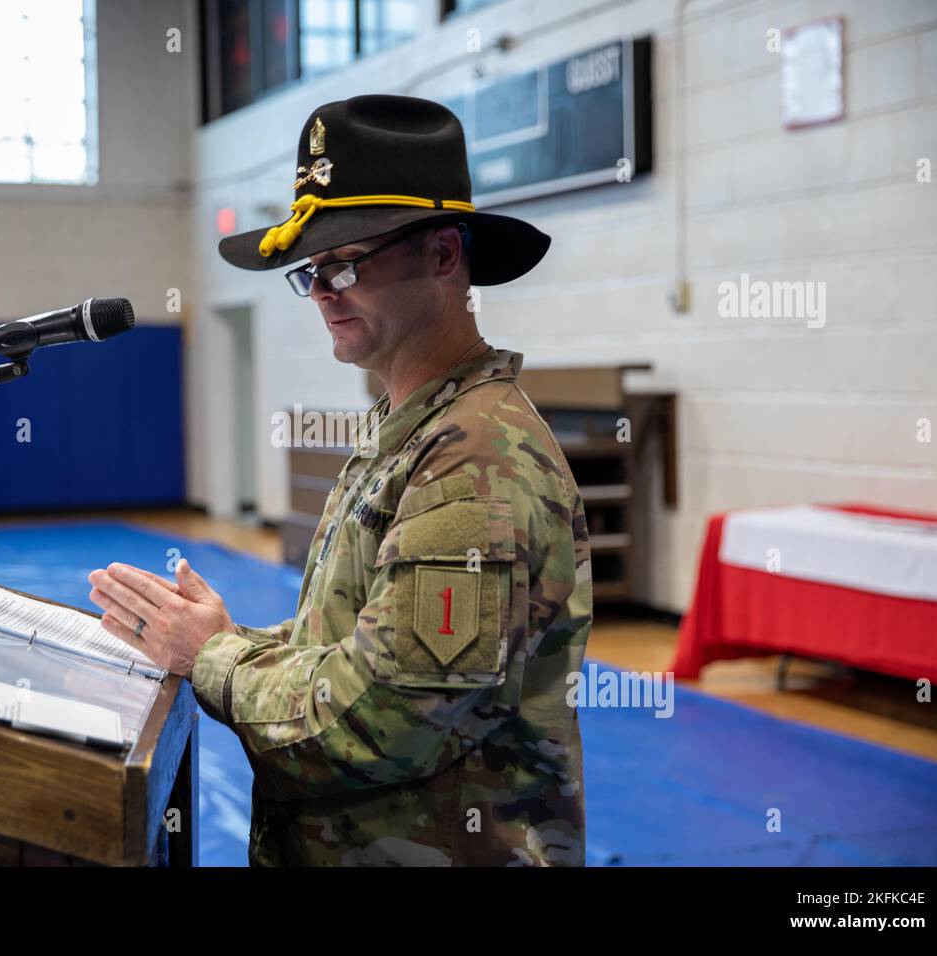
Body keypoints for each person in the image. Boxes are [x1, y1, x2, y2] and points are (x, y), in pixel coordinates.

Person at [88, 95, 592, 866]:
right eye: (313, 271)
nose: (324, 291)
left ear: (443, 255)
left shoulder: (474, 462)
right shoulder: (414, 428)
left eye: (347, 262)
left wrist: (212, 657)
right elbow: (355, 639)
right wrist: (225, 635)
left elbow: (383, 721)